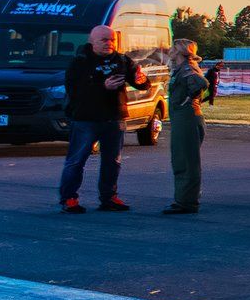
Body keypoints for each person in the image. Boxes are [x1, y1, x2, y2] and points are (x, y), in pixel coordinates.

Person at [59, 26, 148, 212]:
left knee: (112, 161)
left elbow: (140, 82)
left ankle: (109, 198)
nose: (109, 44)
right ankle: (69, 199)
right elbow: (74, 90)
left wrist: (141, 81)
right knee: (77, 160)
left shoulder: (122, 60)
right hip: (86, 119)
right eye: (104, 40)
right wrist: (103, 86)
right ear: (92, 41)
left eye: (112, 40)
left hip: (114, 118)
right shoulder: (80, 62)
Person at [160, 41, 216, 214]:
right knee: (180, 159)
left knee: (186, 161)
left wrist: (191, 98)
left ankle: (187, 202)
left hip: (187, 118)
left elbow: (202, 83)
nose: (170, 51)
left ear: (179, 51)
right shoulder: (183, 68)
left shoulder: (187, 69)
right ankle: (183, 199)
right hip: (183, 118)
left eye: (173, 48)